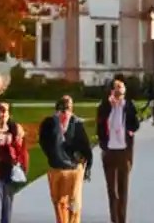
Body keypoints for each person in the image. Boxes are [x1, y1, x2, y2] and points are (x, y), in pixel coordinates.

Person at [38, 95, 92, 223]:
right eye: (63, 110)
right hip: (56, 169)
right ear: (57, 111)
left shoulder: (76, 124)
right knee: (59, 203)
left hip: (74, 169)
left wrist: (86, 166)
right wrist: (53, 155)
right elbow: (44, 142)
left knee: (74, 203)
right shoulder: (49, 124)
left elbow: (85, 146)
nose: (66, 113)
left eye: (69, 109)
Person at [96, 79, 139, 223]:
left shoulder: (129, 106)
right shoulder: (105, 106)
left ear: (125, 91)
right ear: (111, 91)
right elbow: (100, 124)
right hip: (109, 152)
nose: (118, 90)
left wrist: (131, 131)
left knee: (123, 189)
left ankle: (122, 219)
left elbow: (135, 123)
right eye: (115, 88)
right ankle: (114, 219)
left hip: (124, 152)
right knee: (112, 191)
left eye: (121, 87)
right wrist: (110, 106)